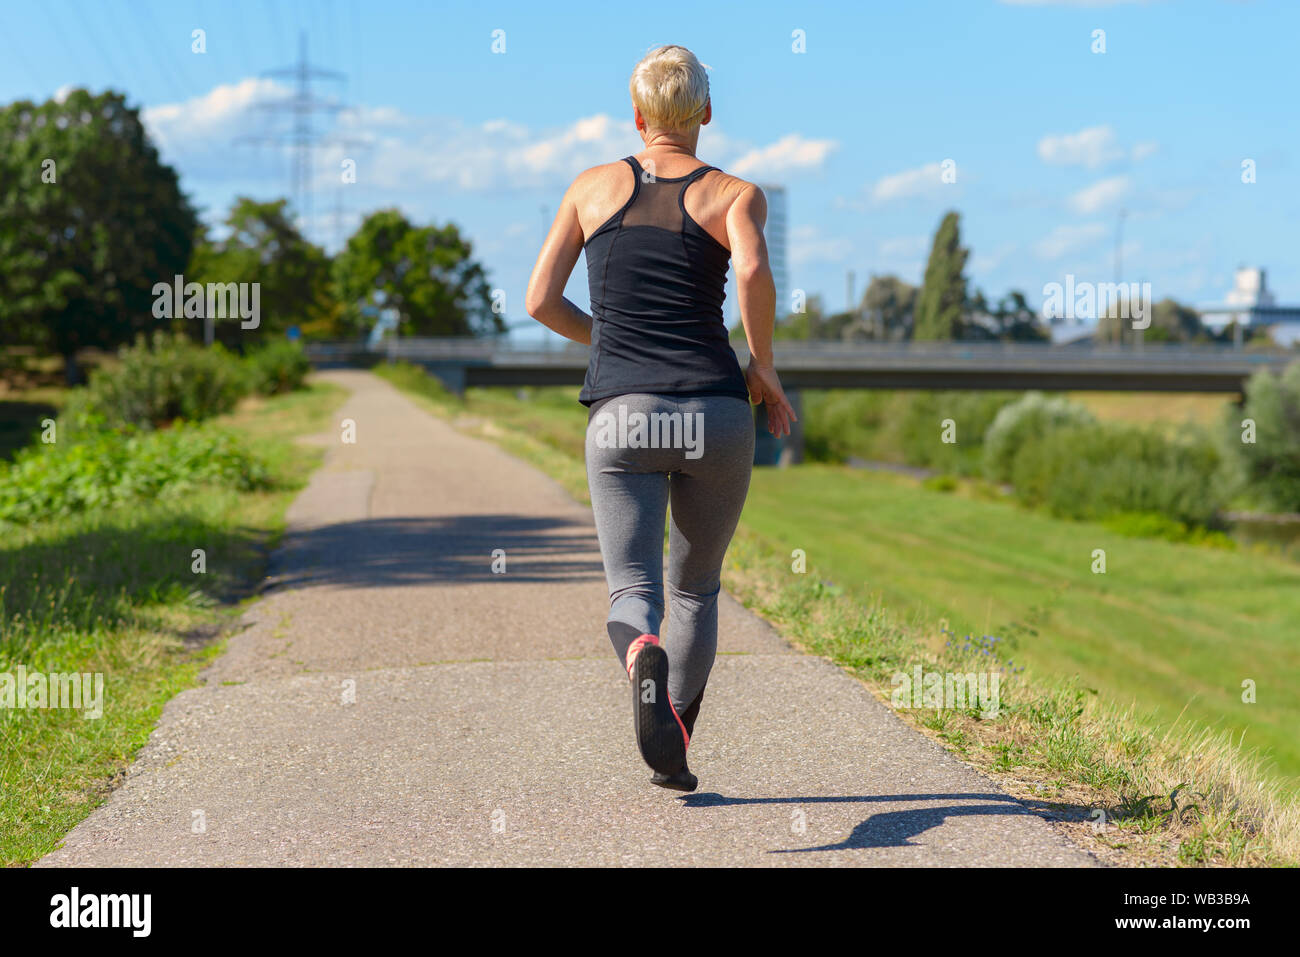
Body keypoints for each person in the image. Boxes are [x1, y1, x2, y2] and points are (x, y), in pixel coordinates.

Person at [526, 44, 795, 791]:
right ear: (705, 112)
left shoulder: (590, 186)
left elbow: (539, 301)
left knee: (631, 590)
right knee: (697, 586)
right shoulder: (735, 194)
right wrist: (762, 364)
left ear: (638, 117)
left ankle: (641, 653)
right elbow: (750, 269)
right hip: (714, 409)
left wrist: (607, 336)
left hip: (623, 415)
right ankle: (671, 737)